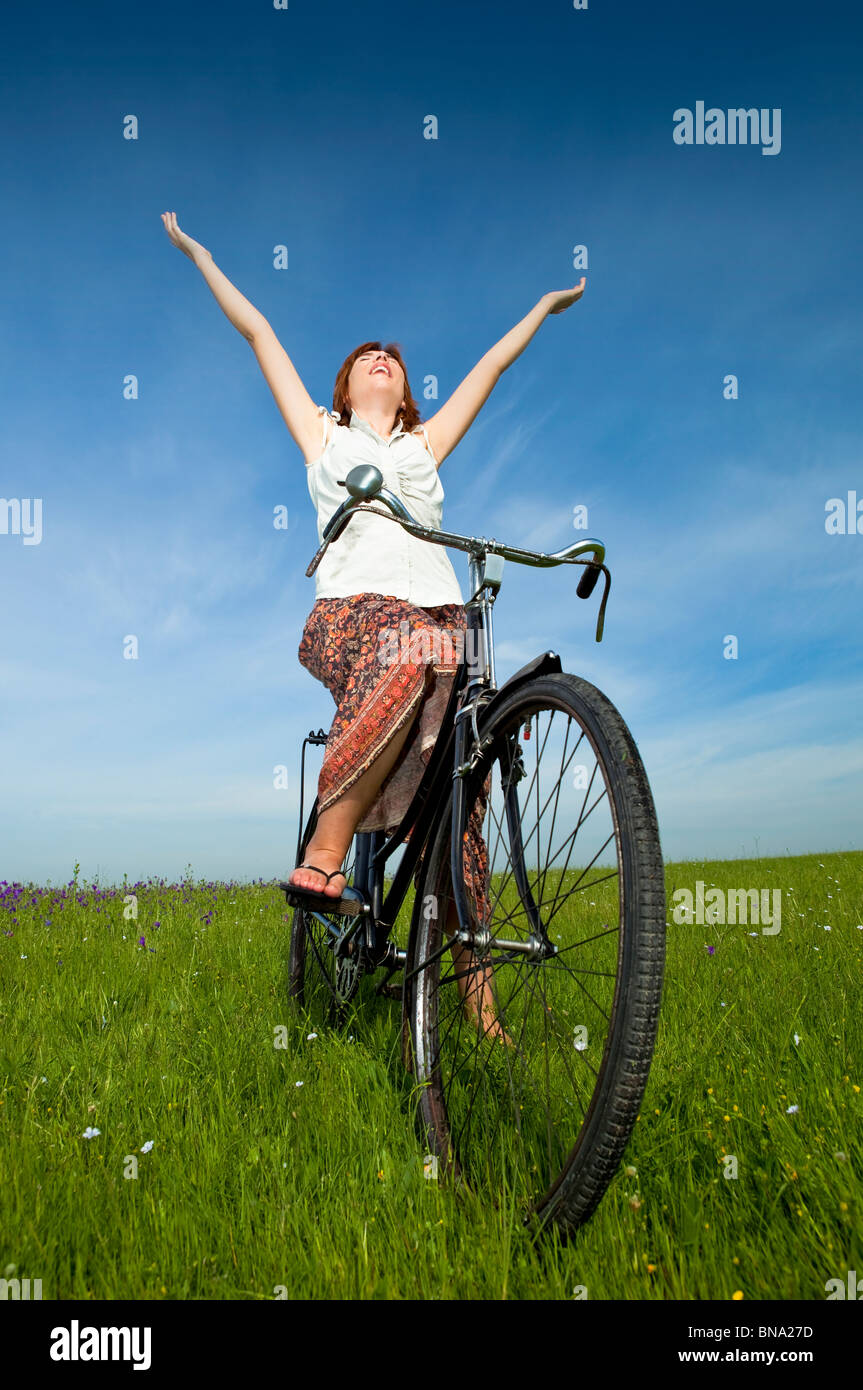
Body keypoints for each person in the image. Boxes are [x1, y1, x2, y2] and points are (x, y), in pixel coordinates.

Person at [161, 211, 585, 1029]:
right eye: (363, 359)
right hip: (350, 615)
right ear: (345, 389)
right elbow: (259, 334)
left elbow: (491, 368)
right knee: (413, 647)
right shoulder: (322, 438)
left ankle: (481, 1010)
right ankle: (327, 851)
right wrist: (201, 254)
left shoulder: (424, 448)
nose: (379, 358)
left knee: (463, 810)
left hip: (439, 621)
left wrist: (540, 307)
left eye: (389, 358)